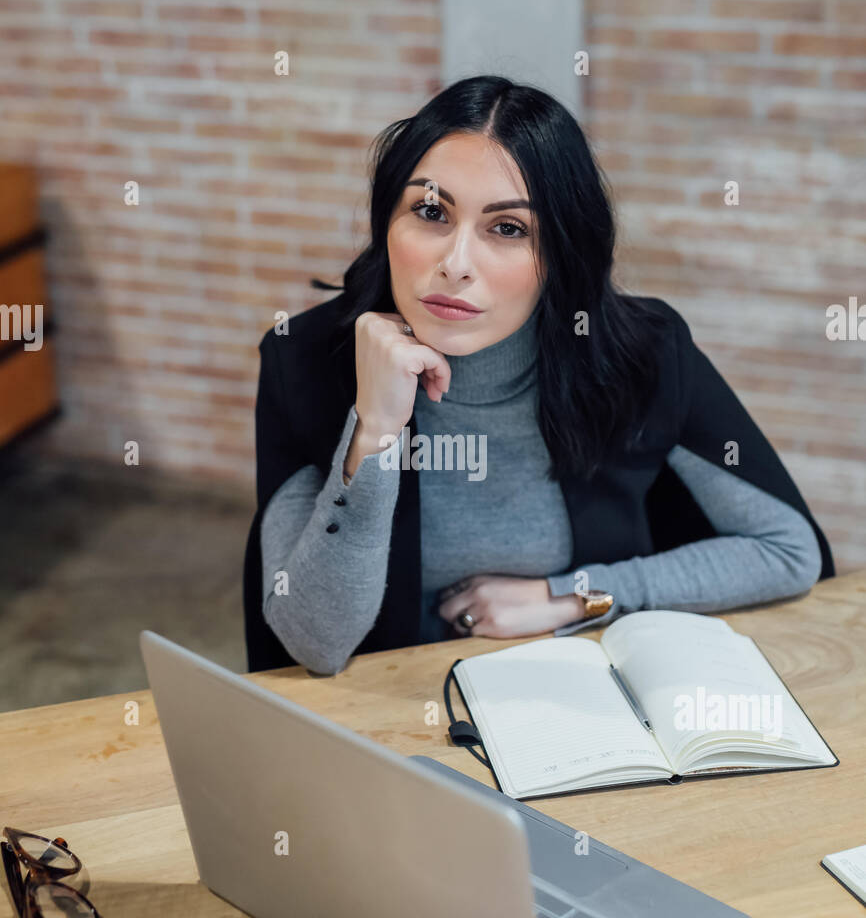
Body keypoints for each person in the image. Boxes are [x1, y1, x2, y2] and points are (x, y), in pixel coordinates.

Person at [244, 75, 832, 676]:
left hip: (575, 694)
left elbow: (787, 551)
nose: (455, 265)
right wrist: (373, 433)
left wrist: (573, 597)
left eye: (508, 228)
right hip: (383, 706)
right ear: (387, 221)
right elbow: (315, 641)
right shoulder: (305, 359)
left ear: (560, 251)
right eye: (430, 211)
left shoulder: (640, 352)